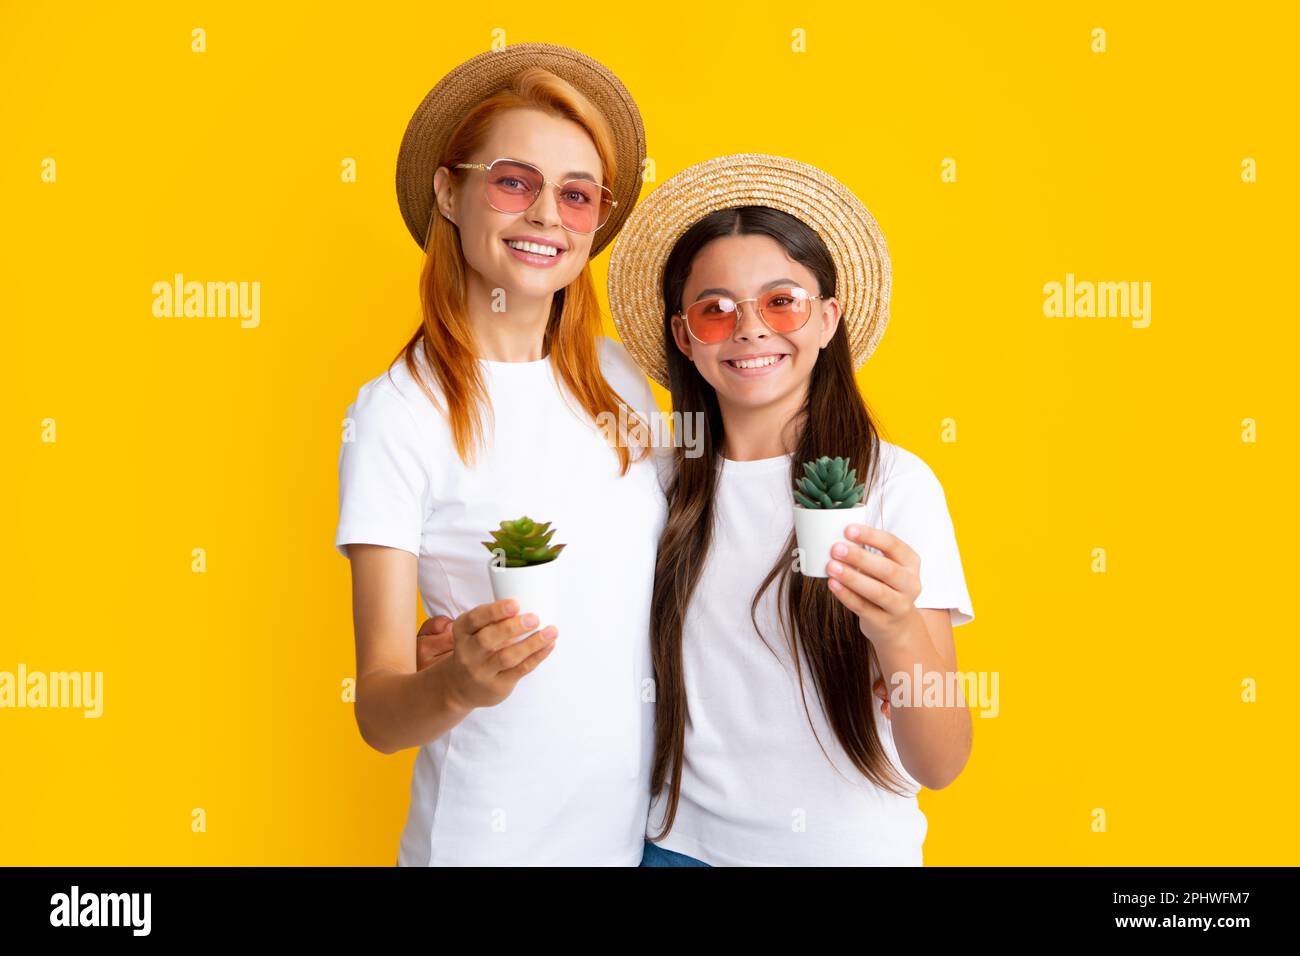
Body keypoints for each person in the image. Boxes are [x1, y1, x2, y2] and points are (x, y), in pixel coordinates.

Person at [334, 43, 665, 866]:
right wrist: (455, 683)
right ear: (451, 191)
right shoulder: (398, 416)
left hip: (636, 839)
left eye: (577, 195)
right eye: (515, 181)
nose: (548, 216)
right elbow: (379, 712)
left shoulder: (621, 378)